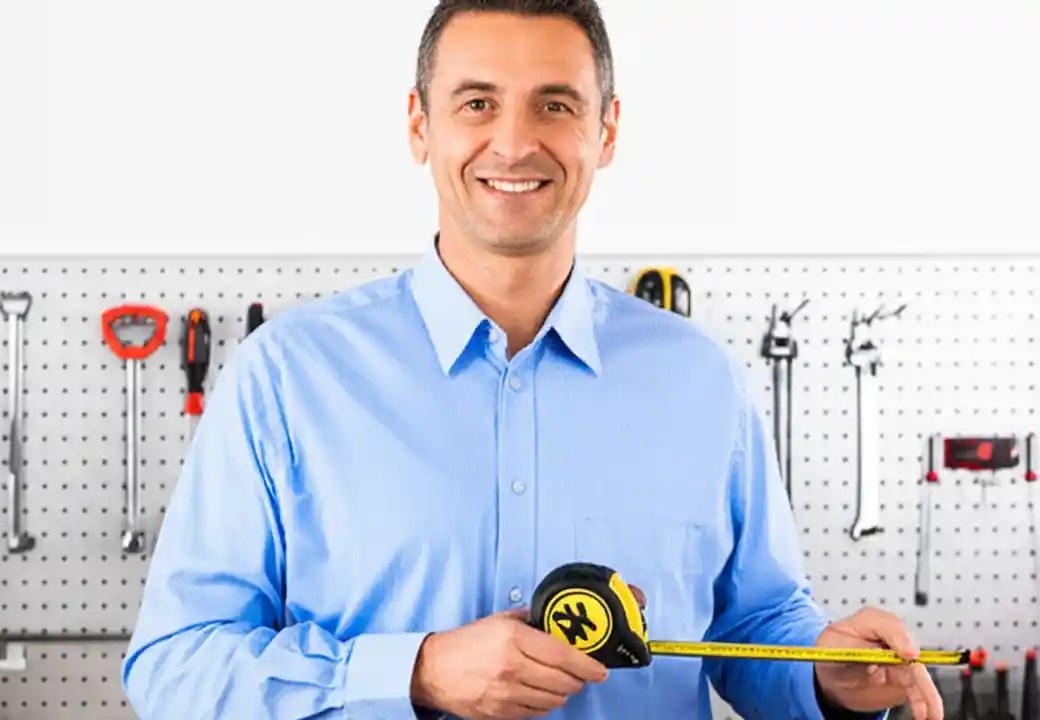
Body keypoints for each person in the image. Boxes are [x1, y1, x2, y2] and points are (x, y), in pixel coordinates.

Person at [121, 1, 944, 718]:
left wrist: (827, 678)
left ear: (606, 131)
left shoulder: (700, 381)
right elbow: (176, 668)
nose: (513, 143)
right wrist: (416, 674)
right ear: (420, 125)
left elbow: (752, 628)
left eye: (554, 105)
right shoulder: (287, 377)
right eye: (477, 103)